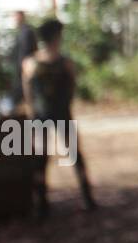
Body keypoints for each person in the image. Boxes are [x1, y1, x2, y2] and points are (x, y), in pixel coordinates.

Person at [21, 19, 97, 217]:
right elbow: (71, 87)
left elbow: (28, 94)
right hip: (57, 113)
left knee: (48, 157)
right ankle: (49, 201)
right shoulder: (63, 63)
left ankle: (44, 203)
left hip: (44, 114)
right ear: (55, 37)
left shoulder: (31, 64)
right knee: (55, 156)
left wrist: (32, 112)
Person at [8, 10, 38, 112]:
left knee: (26, 93)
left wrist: (25, 65)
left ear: (21, 17)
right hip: (19, 68)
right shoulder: (21, 31)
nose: (15, 19)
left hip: (25, 69)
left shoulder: (27, 31)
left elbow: (28, 51)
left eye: (16, 17)